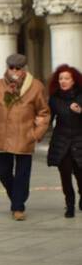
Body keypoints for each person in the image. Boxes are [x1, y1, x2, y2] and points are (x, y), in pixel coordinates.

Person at [0, 52, 50, 221]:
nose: (14, 71)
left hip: (25, 136)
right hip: (2, 136)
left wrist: (36, 134)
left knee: (23, 174)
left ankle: (18, 207)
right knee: (3, 172)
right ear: (7, 68)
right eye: (11, 68)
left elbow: (44, 112)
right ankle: (17, 198)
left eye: (18, 68)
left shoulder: (36, 87)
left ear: (24, 69)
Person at [46, 63, 82, 218]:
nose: (63, 81)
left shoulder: (81, 96)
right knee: (65, 175)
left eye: (67, 78)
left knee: (81, 175)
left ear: (74, 80)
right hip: (61, 141)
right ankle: (69, 204)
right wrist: (35, 132)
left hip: (80, 140)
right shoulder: (54, 99)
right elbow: (47, 119)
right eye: (61, 78)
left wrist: (81, 111)